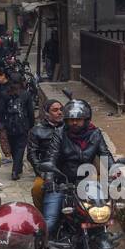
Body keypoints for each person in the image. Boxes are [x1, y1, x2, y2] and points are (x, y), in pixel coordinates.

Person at [41, 99, 114, 236]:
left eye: (79, 119)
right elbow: (51, 156)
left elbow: (105, 154)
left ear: (86, 120)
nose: (74, 123)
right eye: (71, 120)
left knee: (101, 215)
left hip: (87, 184)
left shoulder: (95, 133)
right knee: (49, 224)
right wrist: (49, 179)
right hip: (62, 183)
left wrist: (114, 171)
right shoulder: (60, 133)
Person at [0, 72, 35, 180]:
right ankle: (16, 170)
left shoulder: (5, 93)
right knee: (20, 148)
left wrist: (2, 123)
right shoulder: (26, 94)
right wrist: (31, 125)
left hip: (9, 126)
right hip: (23, 126)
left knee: (13, 147)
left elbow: (0, 110)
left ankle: (17, 167)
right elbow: (30, 111)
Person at [27, 97, 64, 209]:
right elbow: (31, 154)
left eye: (61, 109)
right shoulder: (37, 130)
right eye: (55, 110)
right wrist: (41, 172)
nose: (59, 112)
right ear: (47, 113)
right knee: (37, 189)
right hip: (47, 169)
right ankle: (42, 212)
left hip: (67, 168)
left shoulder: (67, 127)